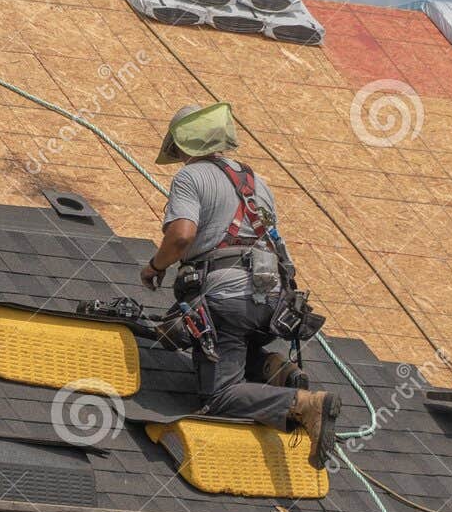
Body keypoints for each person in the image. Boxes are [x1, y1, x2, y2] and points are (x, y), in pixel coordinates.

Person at [139, 103, 340, 468]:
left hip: (227, 298)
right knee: (223, 343)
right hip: (273, 302)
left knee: (221, 396)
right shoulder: (257, 183)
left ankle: (305, 403)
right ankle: (276, 370)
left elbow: (182, 236)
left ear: (182, 145)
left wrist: (155, 266)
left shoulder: (191, 177)